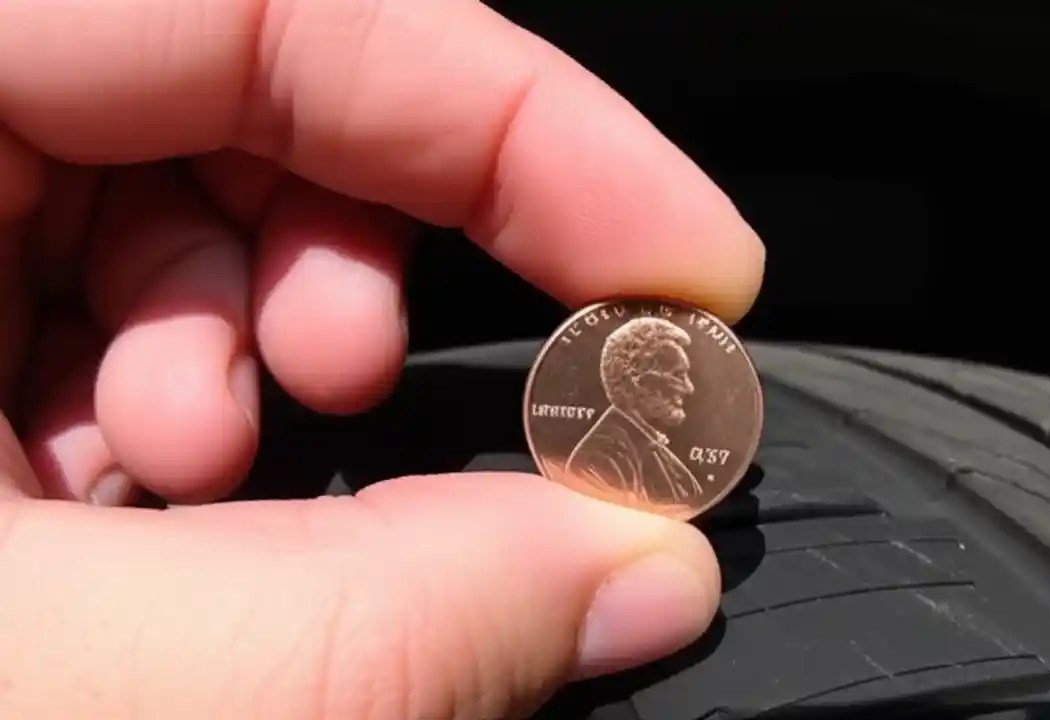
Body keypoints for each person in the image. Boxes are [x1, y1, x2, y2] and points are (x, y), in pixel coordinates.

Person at [0, 1, 765, 717]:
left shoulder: (652, 457)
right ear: (626, 383)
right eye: (670, 371)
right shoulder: (612, 456)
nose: (690, 381)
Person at [567, 317, 703, 505]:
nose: (689, 388)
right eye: (677, 375)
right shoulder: (600, 458)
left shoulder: (652, 449)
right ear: (636, 381)